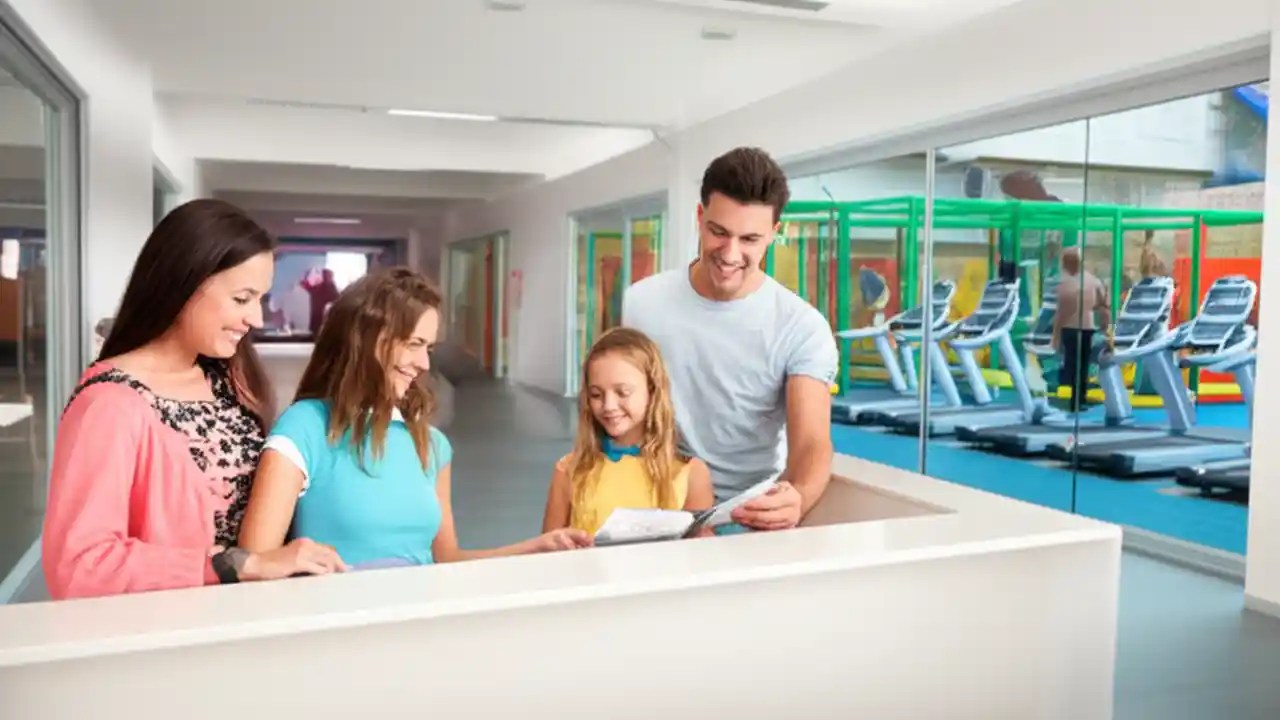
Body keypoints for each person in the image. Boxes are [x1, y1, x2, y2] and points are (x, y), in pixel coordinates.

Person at [42, 199, 345, 600]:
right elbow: (79, 564)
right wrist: (237, 565)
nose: (256, 318)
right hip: (171, 633)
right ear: (182, 284)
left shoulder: (228, 377)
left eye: (260, 299)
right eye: (242, 298)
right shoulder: (111, 403)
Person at [238, 267, 591, 569]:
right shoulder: (304, 429)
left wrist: (534, 548)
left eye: (429, 348)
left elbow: (446, 561)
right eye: (413, 344)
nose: (424, 363)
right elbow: (257, 564)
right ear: (368, 340)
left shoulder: (432, 445)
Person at [621, 147, 838, 532]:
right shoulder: (642, 303)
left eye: (750, 238)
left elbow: (811, 443)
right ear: (700, 217)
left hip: (746, 515)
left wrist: (798, 496)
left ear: (775, 232)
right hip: (656, 509)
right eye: (719, 232)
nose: (730, 253)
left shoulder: (801, 326)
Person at [541, 327, 715, 536]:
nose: (609, 405)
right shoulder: (569, 470)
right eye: (596, 394)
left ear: (652, 391)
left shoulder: (691, 474)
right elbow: (547, 553)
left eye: (623, 392)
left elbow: (698, 556)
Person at [1052, 247, 1111, 413]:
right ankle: (1079, 399)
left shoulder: (1063, 284)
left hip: (1069, 329)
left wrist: (1055, 336)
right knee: (1082, 365)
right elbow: (1105, 308)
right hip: (1085, 328)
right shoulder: (1093, 281)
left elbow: (1060, 313)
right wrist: (1107, 329)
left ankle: (1075, 399)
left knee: (1072, 363)